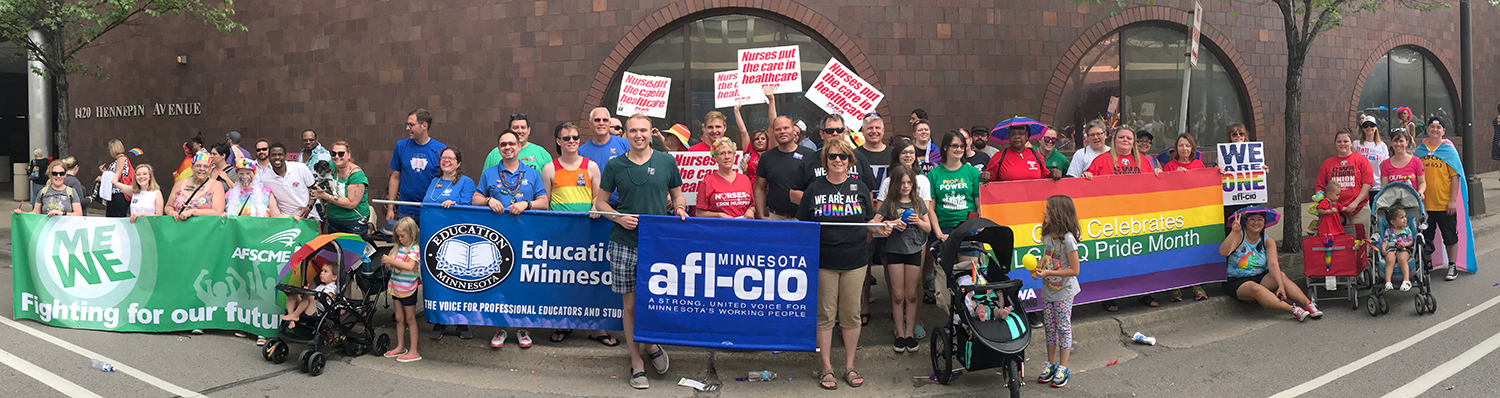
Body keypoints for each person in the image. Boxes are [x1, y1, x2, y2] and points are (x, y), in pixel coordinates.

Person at [592, 114, 688, 390]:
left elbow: (678, 195)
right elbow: (600, 203)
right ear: (626, 135)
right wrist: (618, 218)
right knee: (631, 306)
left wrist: (679, 207)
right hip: (623, 242)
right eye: (632, 130)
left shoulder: (666, 161)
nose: (638, 135)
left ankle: (650, 342)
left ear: (650, 132)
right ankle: (636, 362)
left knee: (653, 302)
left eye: (643, 130)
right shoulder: (614, 165)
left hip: (656, 243)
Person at [796, 136, 890, 390]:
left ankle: (849, 365)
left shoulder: (860, 188)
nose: (838, 161)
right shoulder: (814, 189)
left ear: (850, 160)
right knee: (825, 315)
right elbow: (802, 226)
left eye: (843, 156)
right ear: (825, 160)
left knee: (851, 315)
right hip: (824, 260)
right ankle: (826, 367)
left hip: (856, 259)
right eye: (832, 156)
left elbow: (869, 222)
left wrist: (884, 227)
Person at [539, 122, 619, 347]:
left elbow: (599, 197)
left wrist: (594, 206)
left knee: (590, 278)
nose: (572, 141)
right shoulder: (549, 168)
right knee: (564, 279)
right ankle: (564, 323)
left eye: (575, 137)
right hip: (560, 234)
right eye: (567, 138)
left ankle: (597, 327)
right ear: (558, 141)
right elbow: (546, 201)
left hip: (588, 231)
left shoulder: (591, 166)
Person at [473, 129, 549, 349]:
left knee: (522, 283)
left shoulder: (532, 173)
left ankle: (523, 328)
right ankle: (500, 327)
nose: (507, 147)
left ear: (519, 147)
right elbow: (475, 198)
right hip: (497, 239)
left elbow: (544, 201)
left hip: (525, 237)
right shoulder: (489, 173)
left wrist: (527, 204)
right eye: (503, 144)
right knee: (499, 282)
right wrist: (488, 200)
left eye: (511, 144)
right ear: (499, 148)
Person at [1082, 127, 1161, 311]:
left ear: (1133, 142)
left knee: (1140, 257)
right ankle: (1109, 296)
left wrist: (1157, 176)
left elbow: (1152, 187)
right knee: (1113, 258)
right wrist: (1086, 176)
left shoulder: (1143, 161)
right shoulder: (1101, 160)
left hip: (1137, 219)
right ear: (1114, 141)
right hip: (1111, 220)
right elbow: (1086, 185)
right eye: (1122, 137)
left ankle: (1143, 292)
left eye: (1129, 138)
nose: (1125, 140)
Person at [1220, 208, 1320, 321]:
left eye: (1260, 219)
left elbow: (1273, 264)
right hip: (1237, 280)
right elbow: (1223, 252)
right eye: (1252, 219)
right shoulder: (1238, 236)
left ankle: (1308, 304)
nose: (1256, 223)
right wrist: (1234, 232)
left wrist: (1280, 285)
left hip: (1261, 276)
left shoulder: (1267, 240)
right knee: (1255, 288)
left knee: (1280, 275)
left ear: (1264, 222)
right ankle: (1293, 309)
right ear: (1245, 222)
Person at [870, 165, 929, 353]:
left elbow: (928, 227)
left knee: (911, 294)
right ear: (895, 184)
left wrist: (918, 221)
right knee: (897, 294)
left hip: (913, 250)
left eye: (909, 182)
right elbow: (874, 222)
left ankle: (909, 333)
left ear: (913, 184)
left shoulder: (918, 202)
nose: (905, 186)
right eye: (902, 183)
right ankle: (900, 333)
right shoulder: (890, 202)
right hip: (894, 251)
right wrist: (889, 223)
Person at [1414, 116, 1473, 281]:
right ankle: (1427, 264)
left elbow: (1455, 177)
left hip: (1444, 203)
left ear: (1443, 131)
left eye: (1438, 127)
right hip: (1425, 204)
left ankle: (1452, 265)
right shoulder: (1420, 151)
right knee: (1426, 236)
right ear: (1427, 129)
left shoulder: (1448, 151)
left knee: (1450, 236)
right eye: (1432, 127)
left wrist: (1453, 200)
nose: (1435, 130)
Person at [1033, 195, 1081, 389]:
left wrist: (1049, 272)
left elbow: (1074, 270)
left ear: (1058, 213)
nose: (1044, 211)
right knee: (1049, 328)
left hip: (1064, 290)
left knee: (1063, 326)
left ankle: (1063, 367)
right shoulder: (1046, 235)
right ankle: (1051, 364)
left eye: (1048, 209)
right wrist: (1038, 266)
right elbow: (1046, 255)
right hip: (1048, 289)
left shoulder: (1068, 240)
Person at [793, 115, 876, 217]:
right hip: (822, 220)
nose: (835, 133)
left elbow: (869, 191)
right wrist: (821, 202)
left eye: (839, 130)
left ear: (844, 132)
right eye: (830, 131)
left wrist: (868, 224)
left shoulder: (859, 157)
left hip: (854, 220)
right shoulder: (809, 161)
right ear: (822, 134)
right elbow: (793, 193)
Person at [1162, 133, 1209, 302]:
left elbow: (1206, 185)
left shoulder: (1198, 164)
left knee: (1194, 250)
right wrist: (1175, 177)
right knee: (1177, 250)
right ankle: (1176, 287)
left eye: (1187, 146)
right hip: (1176, 214)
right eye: (1181, 145)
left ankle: (1196, 284)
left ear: (1192, 148)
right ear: (1176, 148)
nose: (1184, 149)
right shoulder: (1170, 166)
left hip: (1195, 214)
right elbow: (1165, 190)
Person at [386, 108, 448, 226]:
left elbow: (446, 180)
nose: (407, 128)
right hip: (406, 210)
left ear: (423, 126)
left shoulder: (439, 149)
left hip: (430, 209)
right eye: (407, 124)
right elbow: (395, 177)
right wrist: (390, 207)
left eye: (411, 125)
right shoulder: (401, 146)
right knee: (405, 243)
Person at [928, 131, 982, 263]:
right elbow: (930, 208)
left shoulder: (972, 172)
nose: (959, 149)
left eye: (962, 146)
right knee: (946, 274)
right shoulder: (933, 174)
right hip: (944, 229)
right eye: (955, 146)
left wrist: (978, 227)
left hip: (968, 228)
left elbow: (979, 203)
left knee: (968, 272)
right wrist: (938, 233)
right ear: (945, 147)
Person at [754, 116, 817, 221]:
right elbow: (760, 188)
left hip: (803, 218)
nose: (782, 132)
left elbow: (817, 187)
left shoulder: (810, 155)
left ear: (794, 130)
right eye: (778, 129)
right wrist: (760, 215)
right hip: (775, 217)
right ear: (773, 133)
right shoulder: (766, 157)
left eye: (786, 128)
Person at [382, 217, 423, 363]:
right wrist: (389, 265)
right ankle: (400, 346)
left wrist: (391, 262)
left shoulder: (415, 249)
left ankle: (414, 350)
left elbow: (410, 266)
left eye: (402, 236)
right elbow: (393, 266)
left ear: (411, 234)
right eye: (398, 236)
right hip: (396, 287)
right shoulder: (398, 248)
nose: (400, 239)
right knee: (399, 318)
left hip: (408, 288)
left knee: (410, 319)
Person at [1313, 129, 1374, 227]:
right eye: (1339, 141)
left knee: (1361, 241)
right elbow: (1319, 187)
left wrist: (1355, 203)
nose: (1342, 144)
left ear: (1351, 143)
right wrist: (1325, 206)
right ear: (1335, 143)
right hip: (1334, 211)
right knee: (1339, 241)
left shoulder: (1361, 160)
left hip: (1359, 208)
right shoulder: (1326, 164)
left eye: (1345, 141)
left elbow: (1367, 185)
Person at [313, 141, 371, 235]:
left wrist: (325, 196)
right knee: (335, 249)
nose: (336, 156)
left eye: (341, 153)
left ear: (348, 155)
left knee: (352, 249)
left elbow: (351, 203)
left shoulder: (356, 175)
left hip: (354, 220)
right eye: (333, 153)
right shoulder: (330, 165)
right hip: (334, 220)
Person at [694, 138, 754, 218]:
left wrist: (751, 210)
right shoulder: (707, 182)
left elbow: (753, 205)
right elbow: (699, 213)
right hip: (719, 228)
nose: (727, 157)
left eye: (730, 153)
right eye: (722, 153)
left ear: (734, 156)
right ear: (715, 158)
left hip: (743, 227)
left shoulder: (745, 179)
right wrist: (718, 215)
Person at [263, 143, 316, 220]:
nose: (277, 157)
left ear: (285, 156)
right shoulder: (265, 178)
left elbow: (314, 189)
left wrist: (309, 207)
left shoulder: (300, 168)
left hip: (309, 216)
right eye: (273, 155)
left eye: (280, 154)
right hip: (286, 219)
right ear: (269, 157)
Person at [732, 90, 775, 186]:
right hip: (750, 187)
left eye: (763, 139)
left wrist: (771, 104)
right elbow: (743, 132)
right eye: (757, 139)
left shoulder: (771, 151)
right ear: (753, 142)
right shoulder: (749, 151)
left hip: (770, 189)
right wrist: (736, 111)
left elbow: (772, 127)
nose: (760, 141)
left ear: (767, 141)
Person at [166, 154, 226, 222]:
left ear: (210, 170)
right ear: (192, 168)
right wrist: (171, 212)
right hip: (179, 228)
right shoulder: (179, 184)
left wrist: (192, 212)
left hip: (204, 229)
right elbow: (168, 206)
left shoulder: (216, 185)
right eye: (198, 166)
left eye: (206, 166)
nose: (202, 169)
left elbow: (217, 211)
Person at [485, 113, 552, 172]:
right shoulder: (494, 154)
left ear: (528, 130)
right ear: (509, 130)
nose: (520, 131)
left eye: (523, 127)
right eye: (515, 127)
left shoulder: (542, 154)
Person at [15, 160, 83, 217]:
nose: (58, 176)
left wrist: (62, 213)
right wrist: (22, 214)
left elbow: (79, 214)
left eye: (61, 173)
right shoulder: (43, 192)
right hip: (47, 231)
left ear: (65, 175)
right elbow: (36, 212)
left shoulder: (71, 192)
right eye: (55, 173)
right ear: (50, 175)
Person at [281, 262, 337, 329]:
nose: (321, 273)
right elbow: (314, 292)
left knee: (309, 295)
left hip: (317, 311)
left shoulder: (333, 287)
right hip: (309, 306)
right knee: (293, 294)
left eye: (325, 271)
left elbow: (327, 297)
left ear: (334, 277)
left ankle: (295, 315)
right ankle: (292, 318)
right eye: (321, 271)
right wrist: (307, 290)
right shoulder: (320, 286)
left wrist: (311, 292)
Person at [1355, 115, 1389, 207]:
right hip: (1360, 187)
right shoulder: (1356, 144)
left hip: (1376, 186)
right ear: (1362, 128)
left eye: (1372, 125)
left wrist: (1383, 186)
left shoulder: (1382, 146)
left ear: (1376, 128)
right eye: (1366, 125)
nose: (1369, 128)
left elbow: (1384, 167)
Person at [1381, 131, 1426, 197]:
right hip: (1393, 202)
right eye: (1395, 141)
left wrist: (1420, 192)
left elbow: (1422, 182)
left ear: (1406, 143)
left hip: (1412, 201)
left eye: (1401, 141)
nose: (1398, 144)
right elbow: (1384, 186)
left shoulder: (1416, 161)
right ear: (1391, 143)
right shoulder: (1385, 164)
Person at [1381, 209, 1416, 292]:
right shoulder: (1388, 230)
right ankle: (1388, 282)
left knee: (1402, 258)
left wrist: (1406, 244)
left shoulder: (1407, 230)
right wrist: (1383, 248)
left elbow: (1411, 241)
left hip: (1404, 248)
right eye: (1402, 217)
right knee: (1390, 259)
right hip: (1391, 248)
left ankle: (1406, 281)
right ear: (1393, 222)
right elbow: (1385, 241)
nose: (1405, 219)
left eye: (1405, 216)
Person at [100, 139, 134, 218]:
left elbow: (117, 176)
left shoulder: (120, 159)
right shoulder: (122, 159)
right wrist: (105, 172)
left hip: (119, 193)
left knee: (115, 218)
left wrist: (102, 178)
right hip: (118, 194)